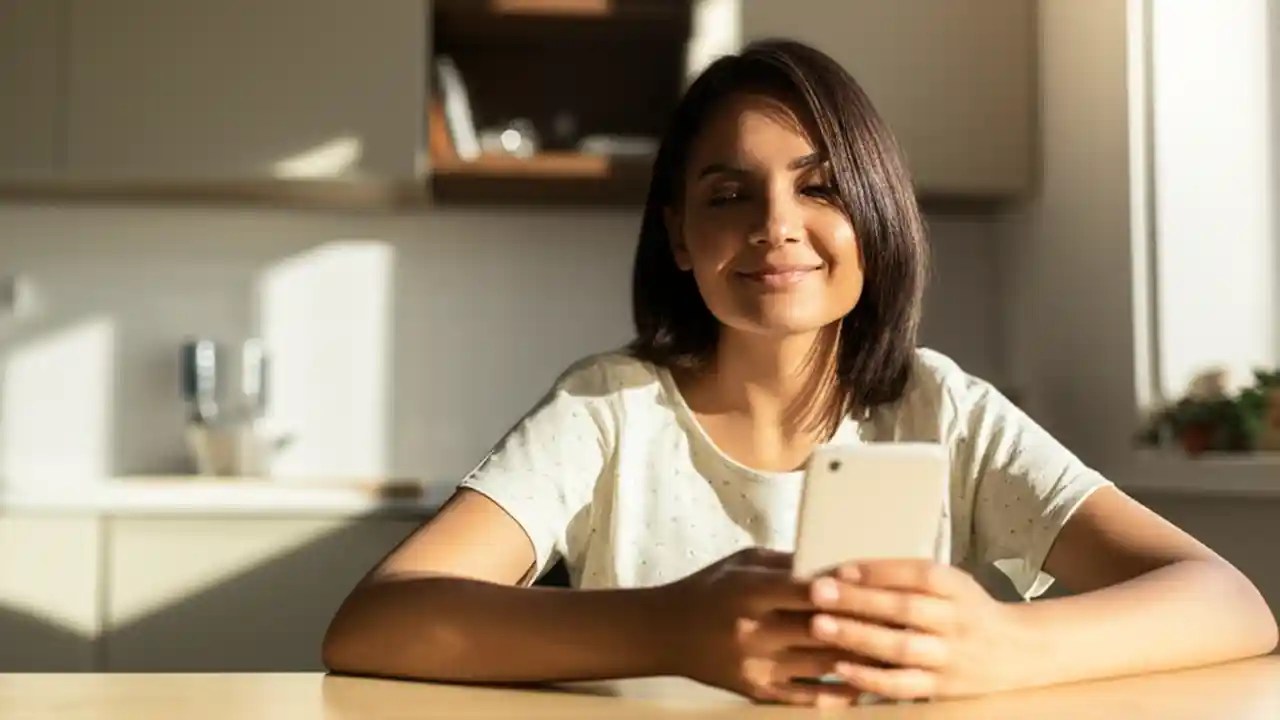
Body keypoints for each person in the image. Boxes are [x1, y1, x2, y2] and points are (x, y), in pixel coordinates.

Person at [322, 40, 1277, 706]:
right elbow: (375, 625)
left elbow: (1228, 602)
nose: (775, 223)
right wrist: (672, 629)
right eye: (729, 194)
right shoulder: (609, 410)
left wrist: (1001, 646)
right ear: (680, 240)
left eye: (818, 187)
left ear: (875, 217)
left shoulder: (944, 410)